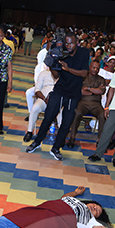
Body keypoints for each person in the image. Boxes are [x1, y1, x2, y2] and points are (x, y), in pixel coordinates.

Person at [25, 33, 91, 161]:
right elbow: (56, 76)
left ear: (77, 42)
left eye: (71, 43)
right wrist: (52, 63)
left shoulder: (83, 53)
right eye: (67, 43)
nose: (69, 45)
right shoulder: (62, 53)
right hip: (60, 89)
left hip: (73, 93)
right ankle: (36, 142)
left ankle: (55, 148)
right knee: (48, 117)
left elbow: (83, 73)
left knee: (66, 123)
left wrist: (68, 69)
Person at [65, 60, 108, 149]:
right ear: (89, 67)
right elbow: (79, 91)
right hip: (82, 103)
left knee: (102, 116)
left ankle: (100, 141)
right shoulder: (83, 77)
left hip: (96, 104)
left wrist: (88, 88)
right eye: (93, 67)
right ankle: (72, 138)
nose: (95, 70)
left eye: (97, 68)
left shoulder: (101, 79)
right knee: (76, 113)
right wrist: (94, 91)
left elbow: (101, 91)